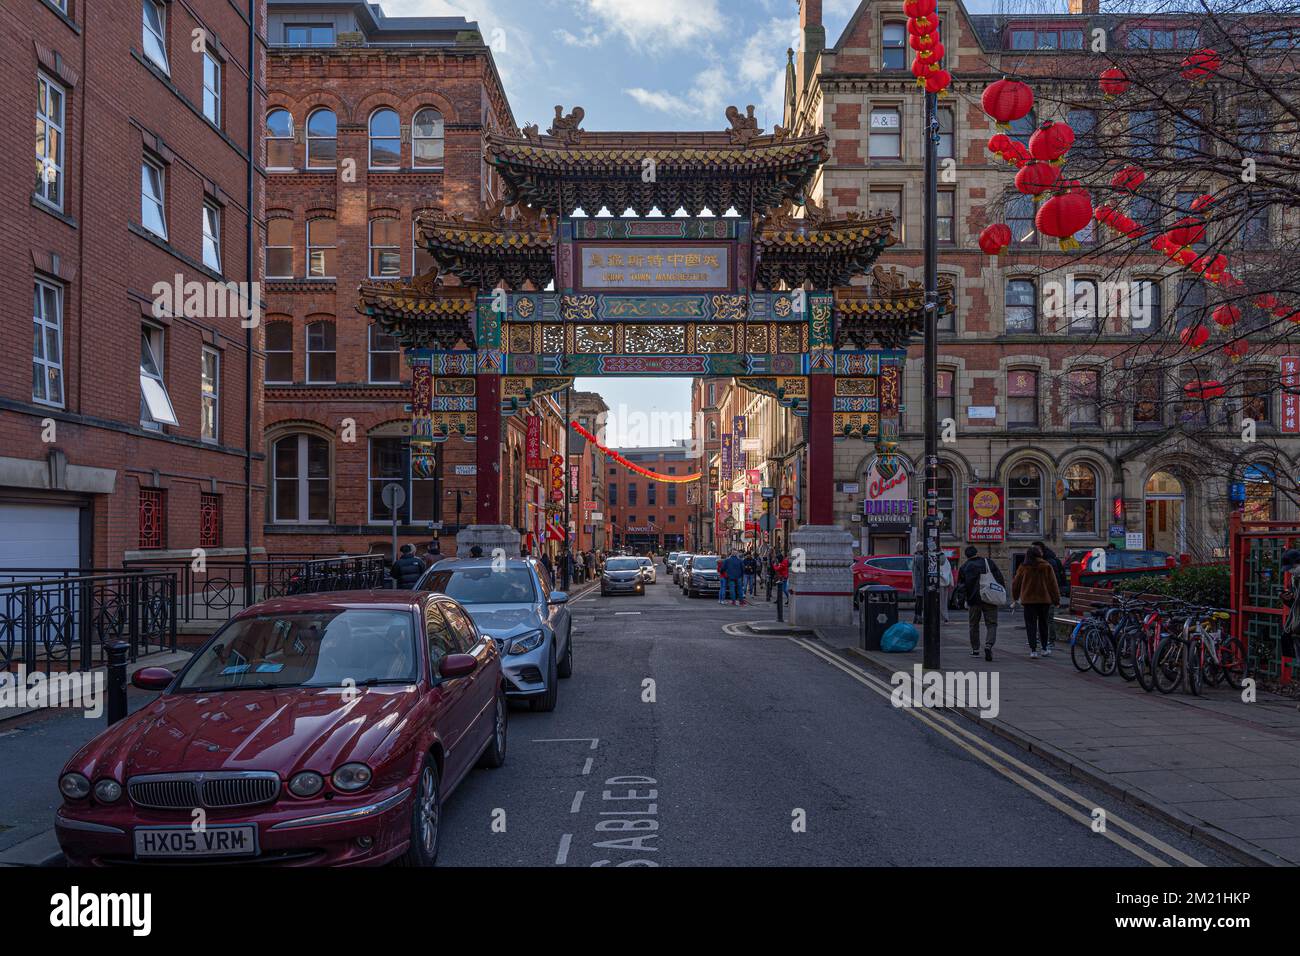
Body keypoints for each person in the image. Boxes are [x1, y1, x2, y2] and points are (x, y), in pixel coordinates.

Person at [1012, 544, 1061, 659]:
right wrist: (1056, 600)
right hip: (1044, 600)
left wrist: (1015, 597)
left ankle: (1033, 650)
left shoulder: (1024, 567)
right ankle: (1044, 648)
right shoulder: (1046, 566)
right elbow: (1053, 585)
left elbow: (1016, 584)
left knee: (1030, 625)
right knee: (1043, 624)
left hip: (1028, 601)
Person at [958, 546, 1004, 661]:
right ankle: (988, 645)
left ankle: (975, 649)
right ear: (976, 553)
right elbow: (999, 578)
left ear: (966, 556)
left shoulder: (964, 567)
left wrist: (961, 601)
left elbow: (961, 587)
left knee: (973, 625)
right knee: (992, 624)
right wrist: (1001, 591)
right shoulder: (988, 562)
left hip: (973, 600)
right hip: (989, 598)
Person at [910, 543, 926, 624]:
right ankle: (919, 618)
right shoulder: (920, 558)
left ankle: (916, 617)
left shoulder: (915, 557)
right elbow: (923, 573)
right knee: (920, 601)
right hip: (920, 583)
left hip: (916, 583)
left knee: (918, 601)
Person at [939, 550, 954, 624]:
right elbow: (950, 572)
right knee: (944, 602)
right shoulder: (946, 561)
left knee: (939, 602)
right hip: (946, 583)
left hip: (939, 584)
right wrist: (951, 583)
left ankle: (943, 617)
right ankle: (945, 617)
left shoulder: (936, 560)